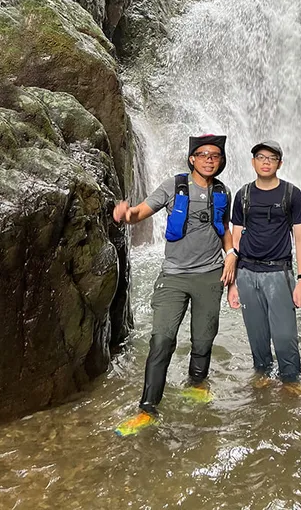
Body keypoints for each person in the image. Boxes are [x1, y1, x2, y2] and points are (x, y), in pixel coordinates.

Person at [112, 134, 237, 436]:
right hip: (173, 276)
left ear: (220, 161)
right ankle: (147, 409)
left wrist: (232, 254)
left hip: (210, 275)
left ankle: (196, 384)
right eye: (203, 154)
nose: (209, 159)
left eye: (215, 155)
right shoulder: (174, 186)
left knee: (204, 338)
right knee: (162, 340)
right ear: (192, 158)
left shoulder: (223, 191)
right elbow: (141, 212)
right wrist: (127, 215)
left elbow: (224, 229)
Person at [226, 141, 301, 393]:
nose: (266, 162)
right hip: (246, 272)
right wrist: (232, 283)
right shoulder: (243, 195)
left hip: (278, 272)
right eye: (261, 157)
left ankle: (291, 380)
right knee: (257, 333)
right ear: (253, 162)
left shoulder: (292, 194)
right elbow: (236, 238)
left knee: (285, 335)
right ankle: (262, 374)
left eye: (271, 158)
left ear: (279, 164)